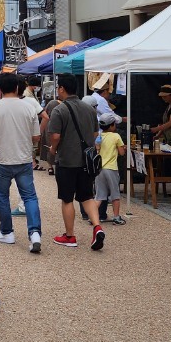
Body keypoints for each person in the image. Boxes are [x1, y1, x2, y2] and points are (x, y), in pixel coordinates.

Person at [45, 75, 105, 251]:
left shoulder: (59, 110)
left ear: (62, 88)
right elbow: (95, 135)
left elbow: (55, 135)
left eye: (58, 88)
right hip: (86, 161)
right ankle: (97, 226)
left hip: (67, 160)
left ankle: (70, 235)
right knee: (87, 196)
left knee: (67, 198)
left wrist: (53, 149)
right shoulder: (90, 109)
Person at [0, 73, 42, 251]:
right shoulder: (29, 107)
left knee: (2, 197)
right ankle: (34, 233)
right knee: (29, 196)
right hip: (23, 159)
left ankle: (7, 232)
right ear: (17, 87)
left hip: (1, 159)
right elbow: (36, 137)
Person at [95, 113, 127, 225]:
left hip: (99, 169)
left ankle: (93, 216)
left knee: (99, 195)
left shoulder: (98, 136)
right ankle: (116, 217)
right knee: (115, 194)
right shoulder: (116, 136)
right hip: (111, 168)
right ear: (112, 125)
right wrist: (124, 148)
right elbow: (122, 153)